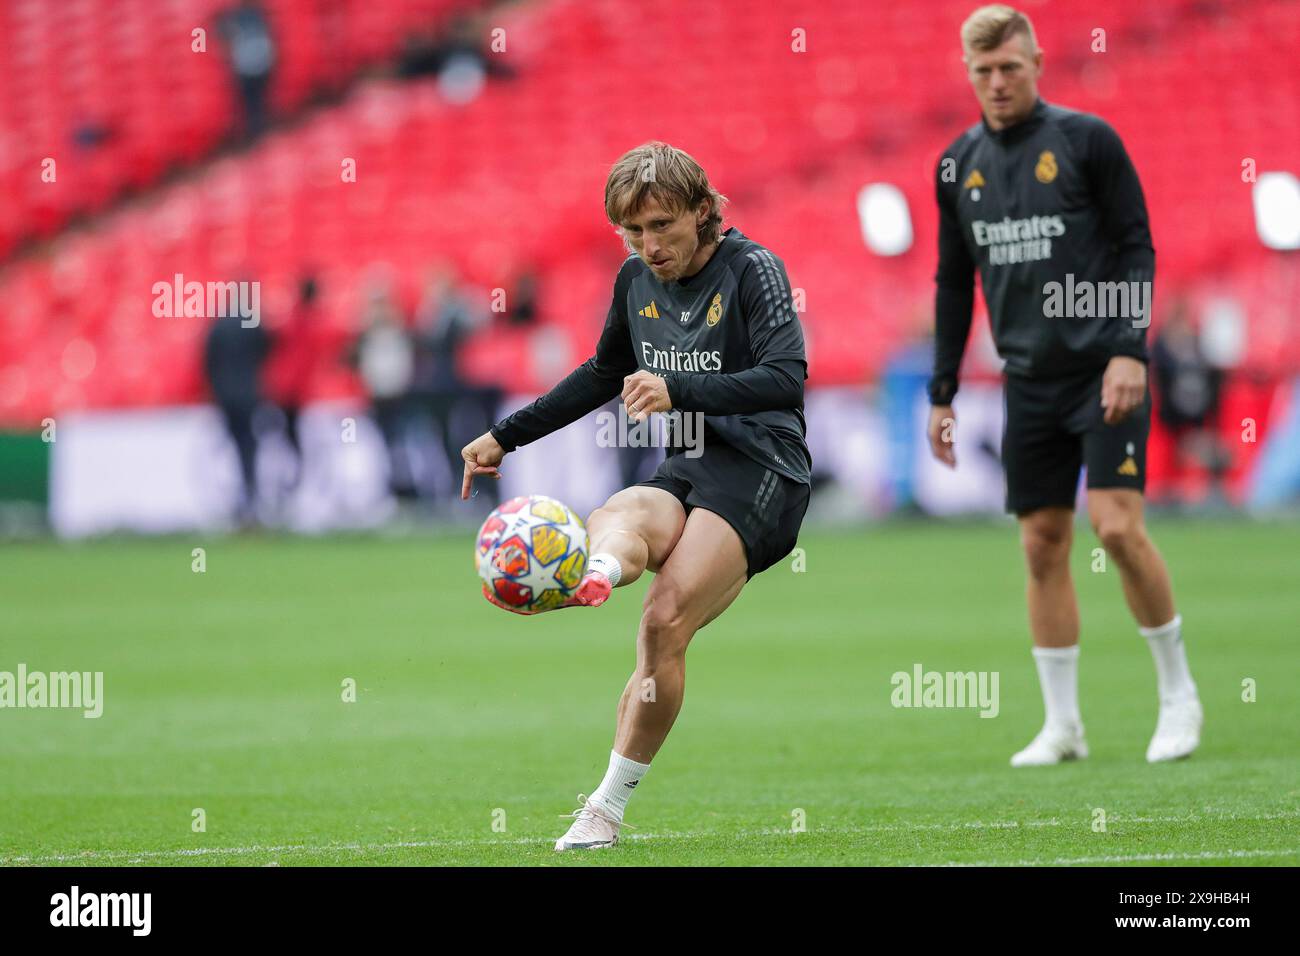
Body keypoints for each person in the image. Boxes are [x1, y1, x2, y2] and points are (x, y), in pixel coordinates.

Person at [460, 142, 811, 849]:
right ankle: (592, 574)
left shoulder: (753, 270)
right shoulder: (633, 282)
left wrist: (681, 387)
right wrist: (506, 435)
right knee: (622, 514)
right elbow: (601, 373)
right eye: (634, 231)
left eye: (662, 226)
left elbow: (786, 377)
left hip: (762, 468)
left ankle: (604, 810)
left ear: (703, 213)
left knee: (662, 622)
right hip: (685, 463)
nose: (649, 246)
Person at [926, 5, 1201, 766]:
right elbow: (954, 283)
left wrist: (1129, 351)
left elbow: (1137, 246)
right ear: (969, 74)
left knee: (1116, 527)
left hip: (1100, 371)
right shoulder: (956, 165)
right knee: (1043, 544)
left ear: (1037, 63)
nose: (997, 82)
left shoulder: (1087, 141)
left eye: (1010, 67)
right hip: (1027, 382)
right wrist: (942, 391)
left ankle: (1179, 695)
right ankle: (1063, 726)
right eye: (983, 71)